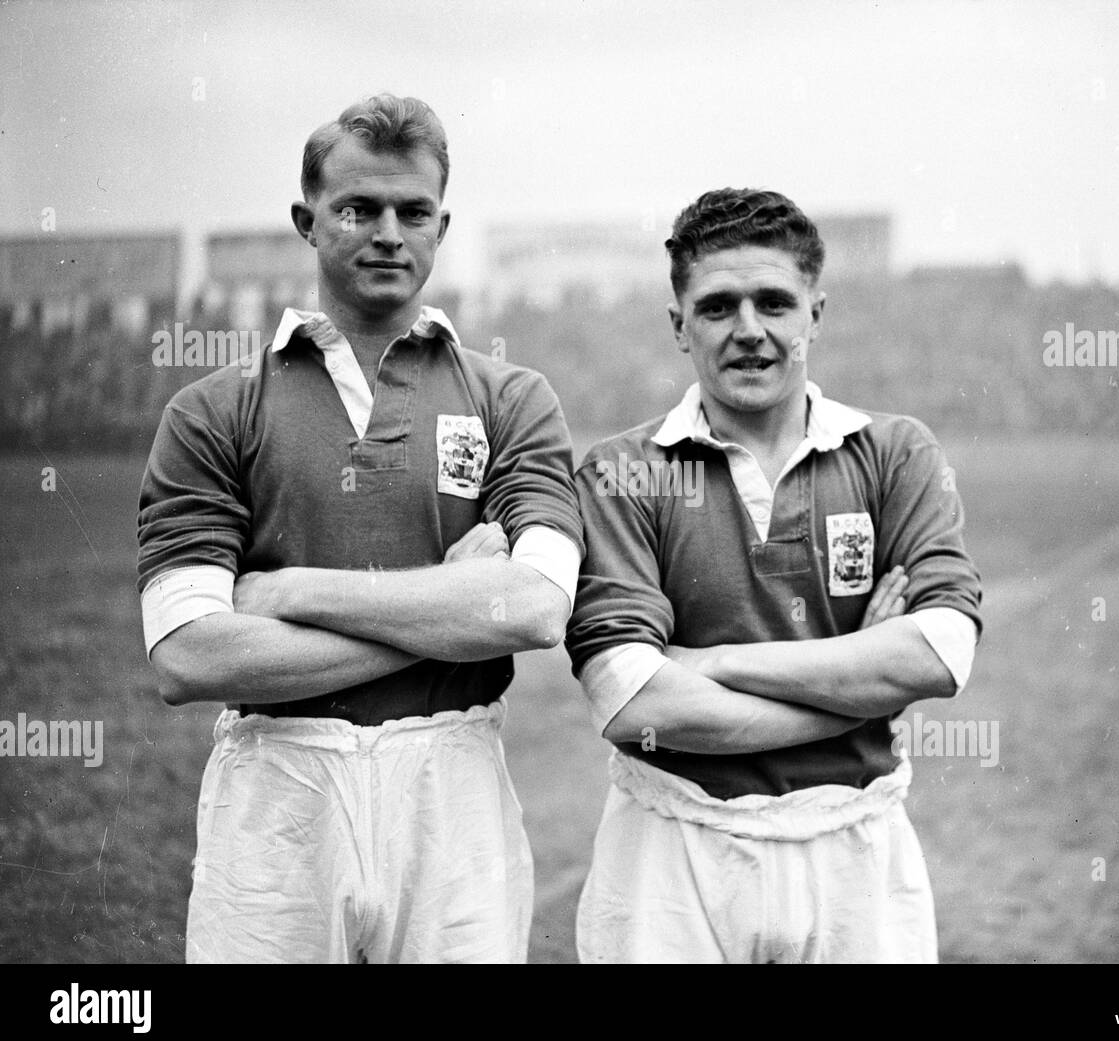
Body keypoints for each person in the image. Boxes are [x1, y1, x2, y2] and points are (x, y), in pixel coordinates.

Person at [137, 94, 582, 963]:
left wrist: (291, 593)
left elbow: (533, 611)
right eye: (358, 208)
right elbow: (189, 657)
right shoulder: (210, 411)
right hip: (280, 780)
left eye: (413, 212)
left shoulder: (513, 398)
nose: (388, 232)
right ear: (307, 221)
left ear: (441, 225)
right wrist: (450, 613)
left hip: (451, 781)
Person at [565, 188, 982, 964]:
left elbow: (939, 653)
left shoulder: (896, 453)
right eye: (719, 305)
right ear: (678, 324)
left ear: (814, 315)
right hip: (673, 849)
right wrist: (856, 683)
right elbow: (633, 700)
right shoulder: (622, 470)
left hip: (855, 847)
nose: (749, 329)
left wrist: (716, 662)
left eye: (774, 303)